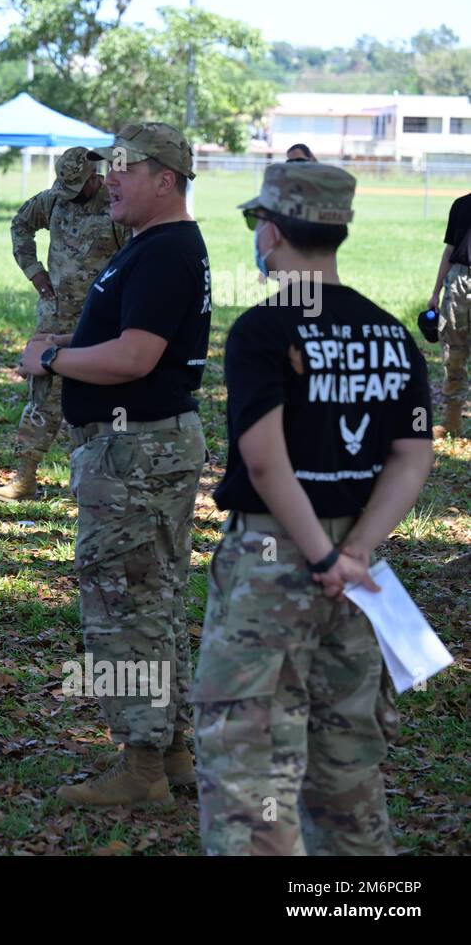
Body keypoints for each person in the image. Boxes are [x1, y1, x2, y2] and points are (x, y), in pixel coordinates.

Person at [195, 162, 434, 854]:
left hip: (276, 557)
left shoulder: (263, 330)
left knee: (249, 765)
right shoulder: (389, 332)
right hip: (359, 573)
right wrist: (356, 551)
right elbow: (412, 455)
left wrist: (323, 554)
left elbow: (265, 460)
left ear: (270, 233)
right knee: (347, 762)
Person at [20, 122, 212, 808]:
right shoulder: (154, 247)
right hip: (148, 447)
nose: (111, 180)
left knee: (123, 608)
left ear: (165, 179)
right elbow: (128, 335)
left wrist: (50, 359)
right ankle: (175, 750)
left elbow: (135, 357)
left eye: (125, 169)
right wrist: (70, 341)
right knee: (155, 602)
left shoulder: (162, 252)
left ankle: (141, 771)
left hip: (134, 453)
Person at [0, 147, 127, 501]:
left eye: (78, 186)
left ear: (95, 177)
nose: (71, 194)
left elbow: (136, 257)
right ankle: (25, 476)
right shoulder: (52, 201)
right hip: (54, 315)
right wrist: (34, 271)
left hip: (99, 320)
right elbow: (20, 224)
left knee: (101, 393)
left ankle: (95, 477)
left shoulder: (117, 207)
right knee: (43, 393)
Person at [427, 190, 471, 439]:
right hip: (458, 282)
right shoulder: (461, 205)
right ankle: (453, 423)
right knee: (453, 354)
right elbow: (449, 250)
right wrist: (435, 292)